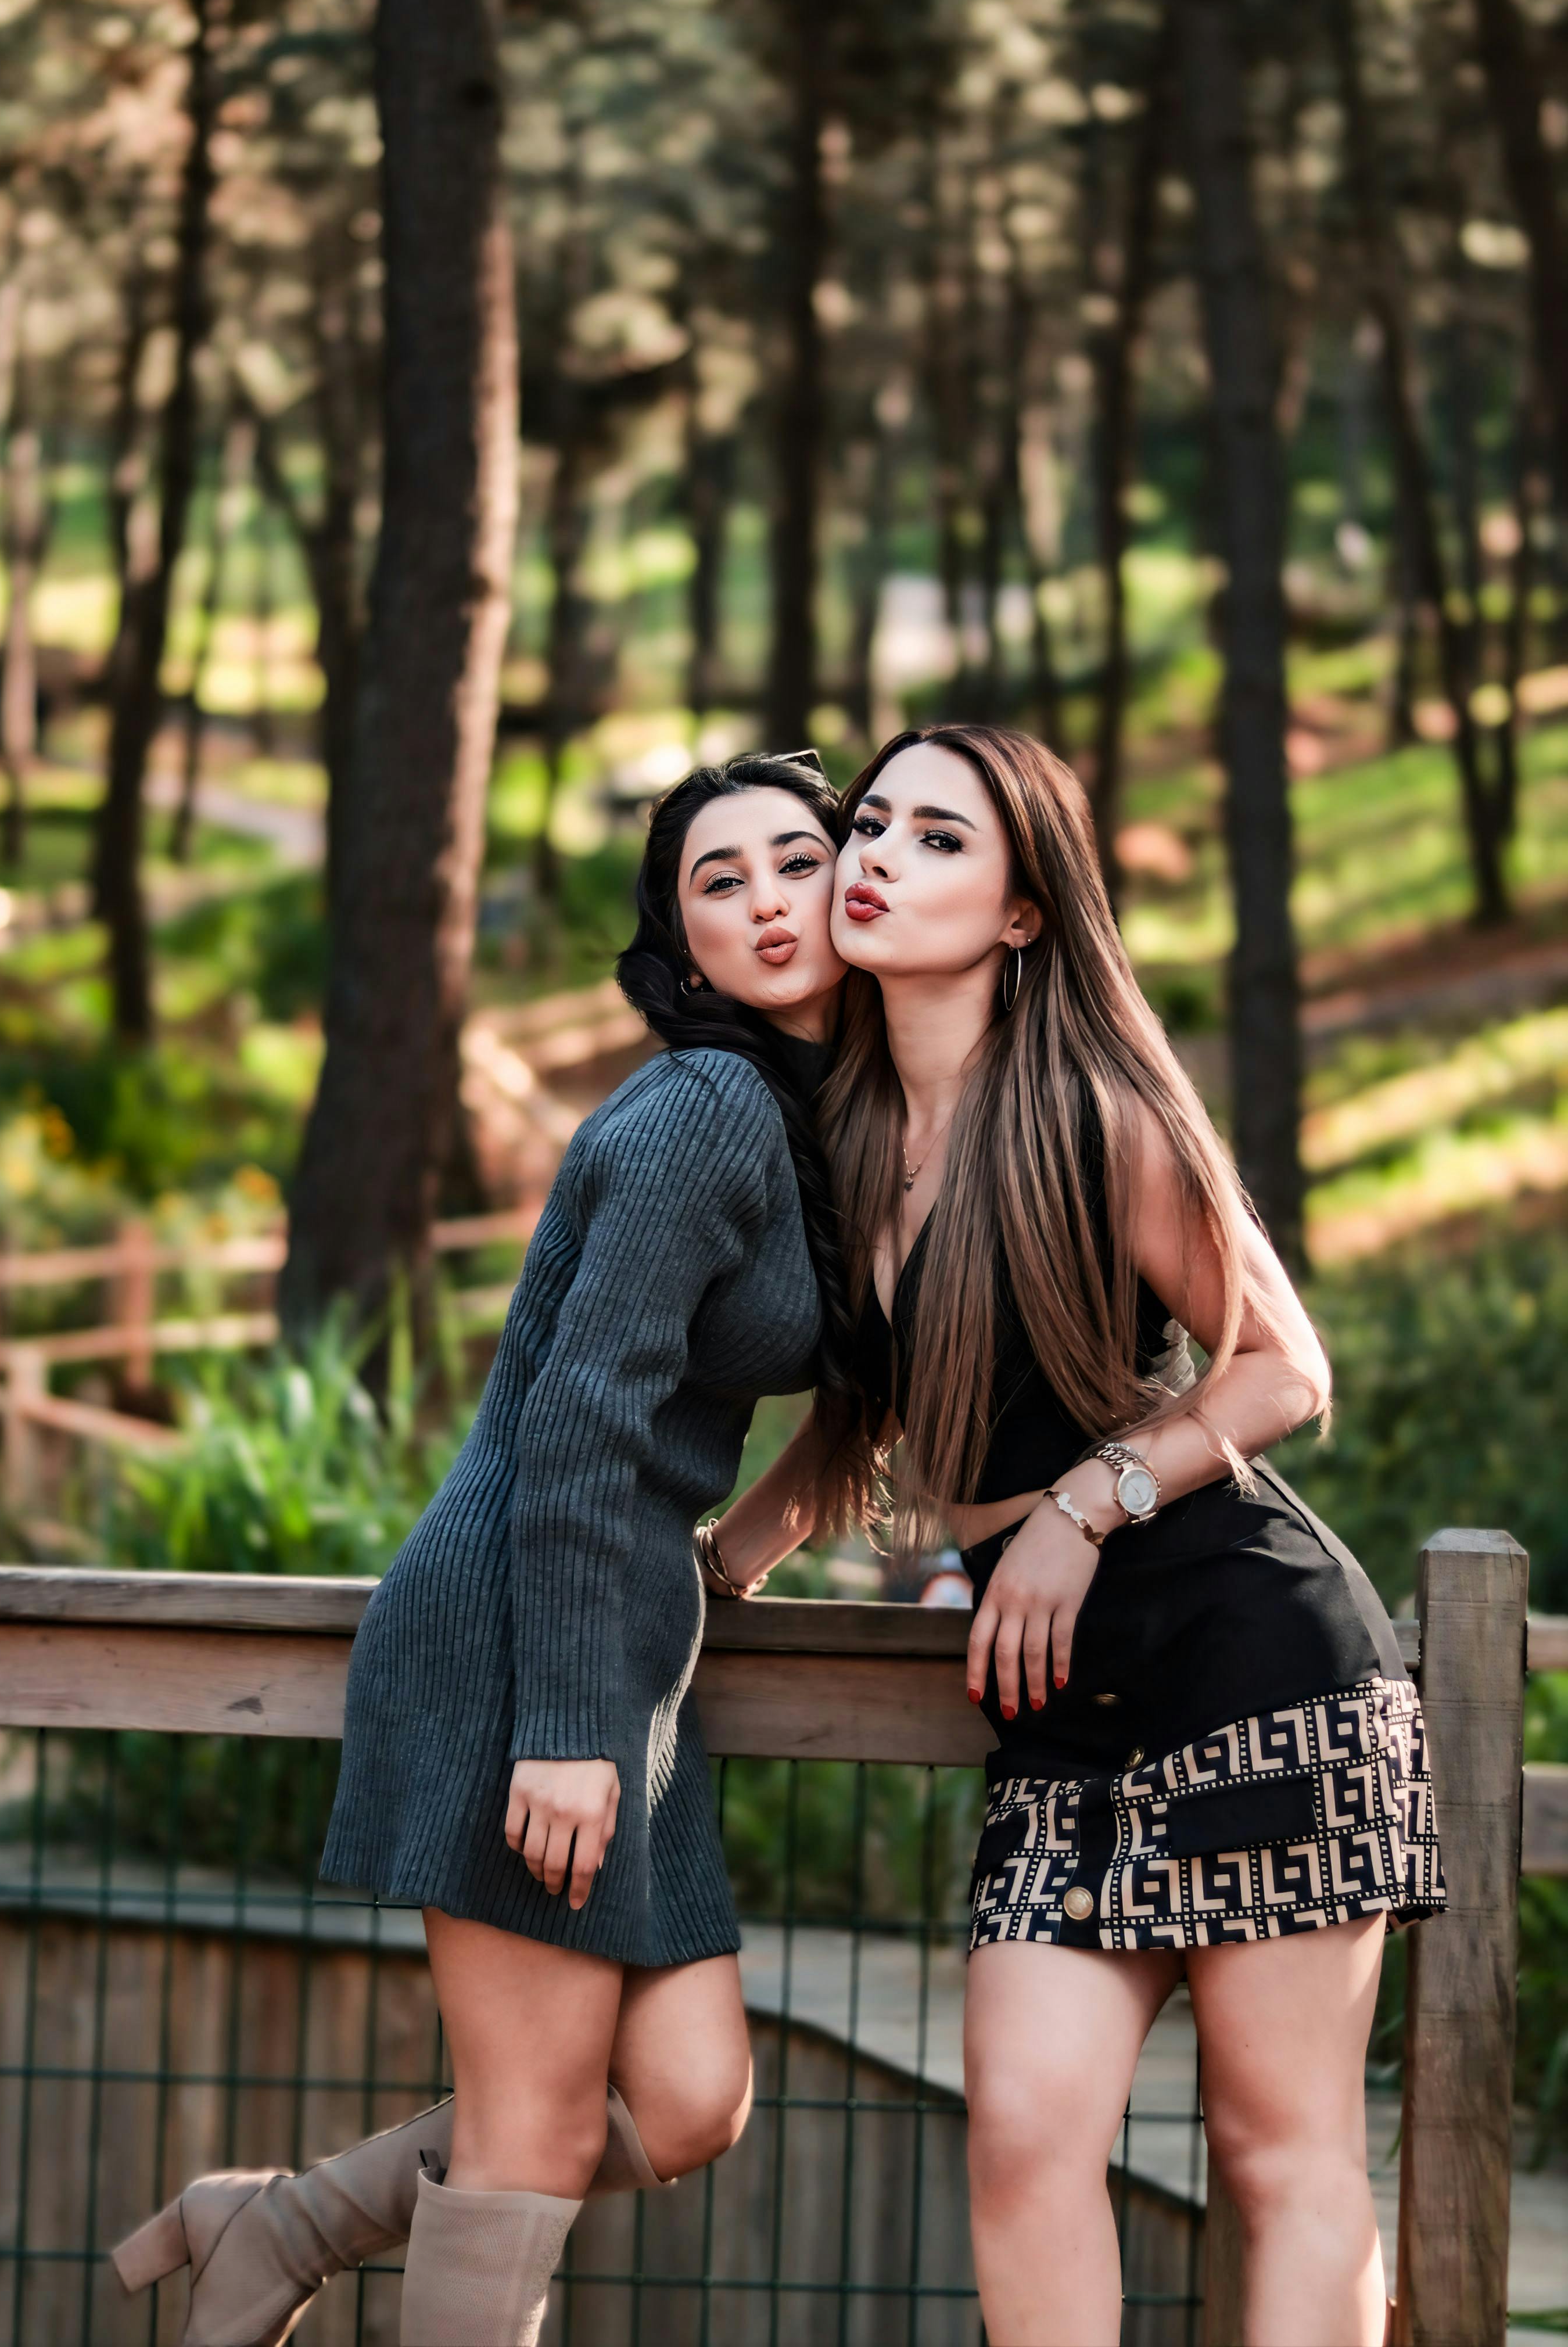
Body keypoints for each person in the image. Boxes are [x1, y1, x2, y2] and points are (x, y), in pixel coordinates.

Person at [111, 751, 870, 2347]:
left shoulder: (812, 1131)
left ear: (849, 880)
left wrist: (736, 1559)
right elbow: (587, 1425)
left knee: (686, 2103)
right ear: (680, 943)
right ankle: (279, 2232)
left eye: (790, 861)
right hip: (525, 1633)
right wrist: (568, 1730)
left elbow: (838, 1405)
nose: (761, 902)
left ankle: (282, 2223)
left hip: (624, 1628)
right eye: (712, 883)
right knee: (525, 2130)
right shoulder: (708, 1109)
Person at [709, 723, 1444, 2347]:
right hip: (1060, 1726)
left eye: (940, 841)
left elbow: (1284, 1367)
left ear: (1025, 912)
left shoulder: (1095, 1113)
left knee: (1278, 2154)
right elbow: (873, 1410)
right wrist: (720, 1560)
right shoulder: (838, 1135)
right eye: (874, 825)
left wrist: (1074, 1511)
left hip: (1259, 1671)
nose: (880, 858)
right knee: (1028, 2138)